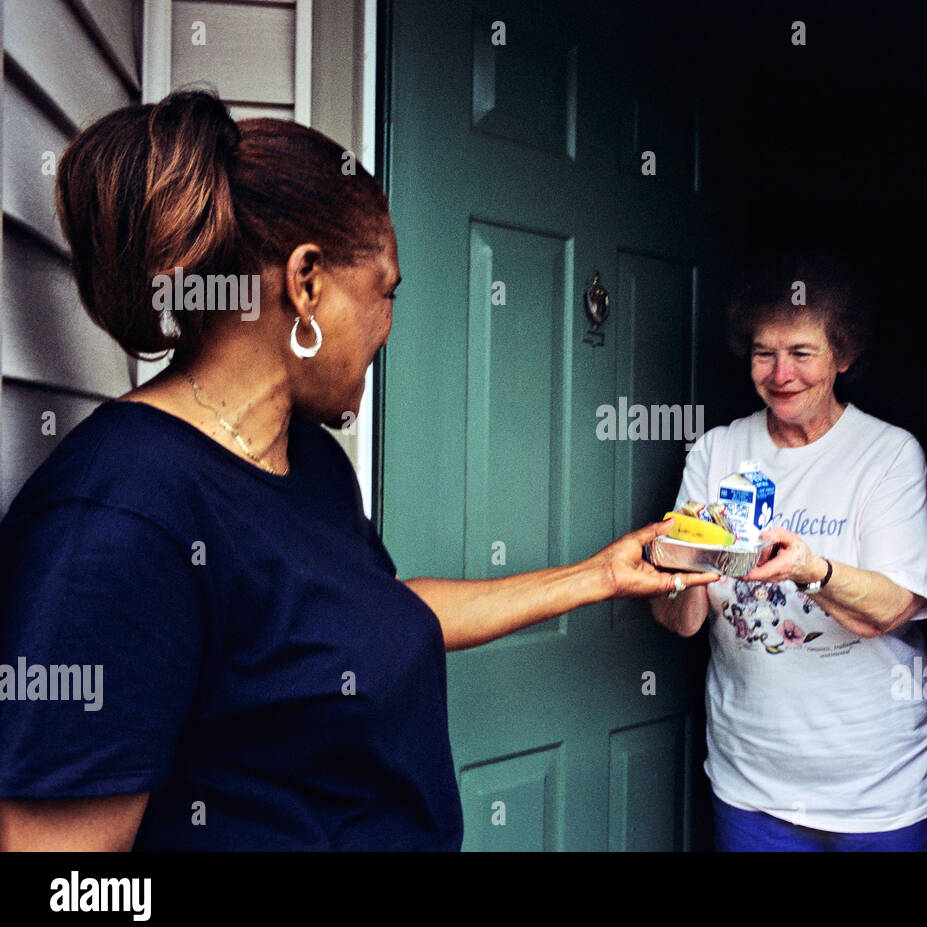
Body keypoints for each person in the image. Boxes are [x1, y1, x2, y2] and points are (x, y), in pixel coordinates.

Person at [0, 90, 715, 851]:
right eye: (386, 292)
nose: (388, 327)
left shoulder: (307, 459)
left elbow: (371, 623)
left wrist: (600, 576)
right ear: (306, 282)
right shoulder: (118, 517)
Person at [650, 253, 927, 852]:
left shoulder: (888, 455)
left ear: (843, 357)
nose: (780, 373)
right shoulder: (716, 451)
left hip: (881, 791)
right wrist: (679, 565)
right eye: (764, 352)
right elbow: (678, 620)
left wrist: (812, 570)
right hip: (752, 786)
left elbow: (891, 610)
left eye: (802, 353)